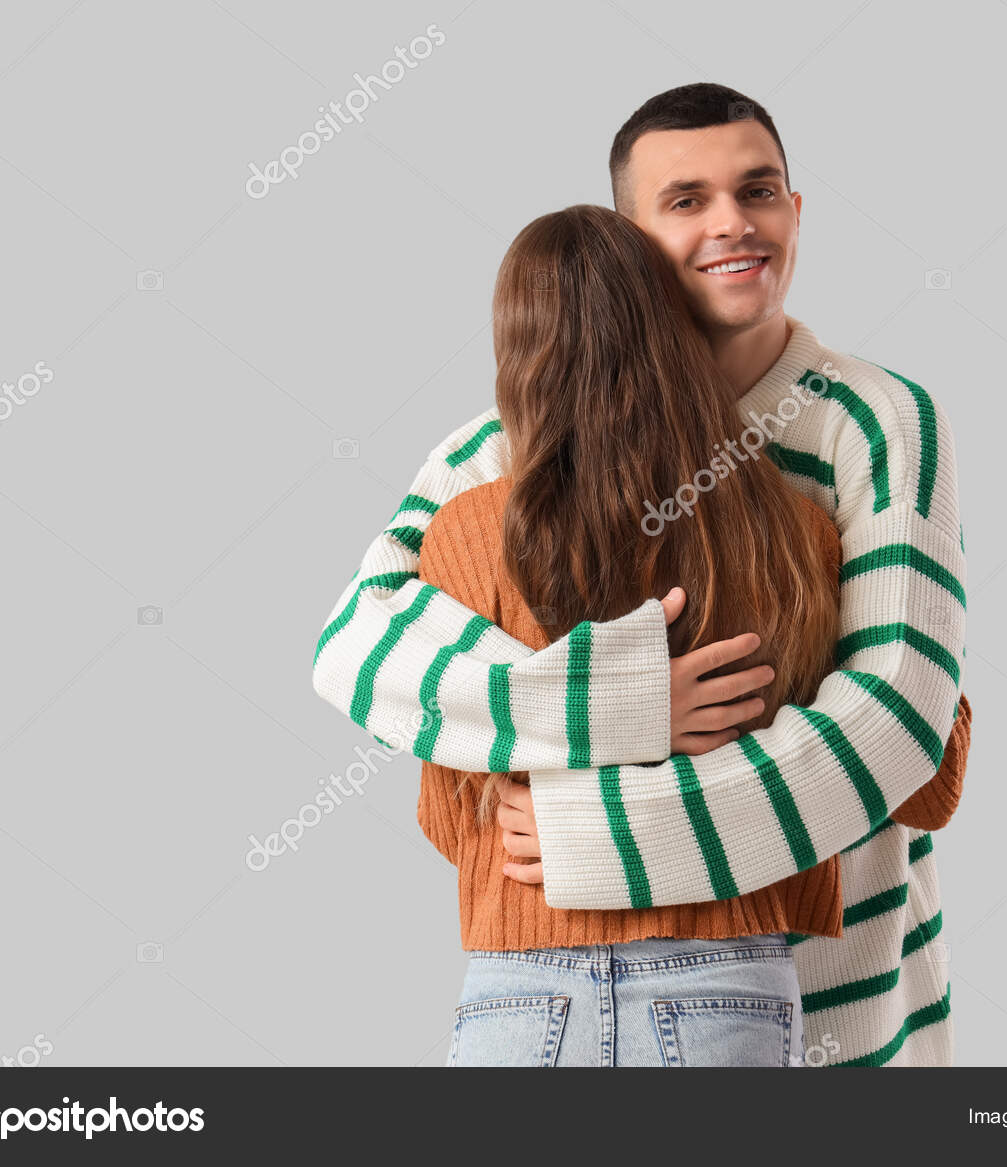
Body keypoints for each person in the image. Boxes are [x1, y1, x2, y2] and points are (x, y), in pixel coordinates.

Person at [313, 82, 970, 1066]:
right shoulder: (506, 448)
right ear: (627, 242)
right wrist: (617, 703)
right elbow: (360, 648)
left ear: (795, 211)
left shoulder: (869, 420)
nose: (731, 224)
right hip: (570, 987)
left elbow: (895, 717)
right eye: (685, 202)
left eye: (757, 191)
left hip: (844, 994)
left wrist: (603, 838)